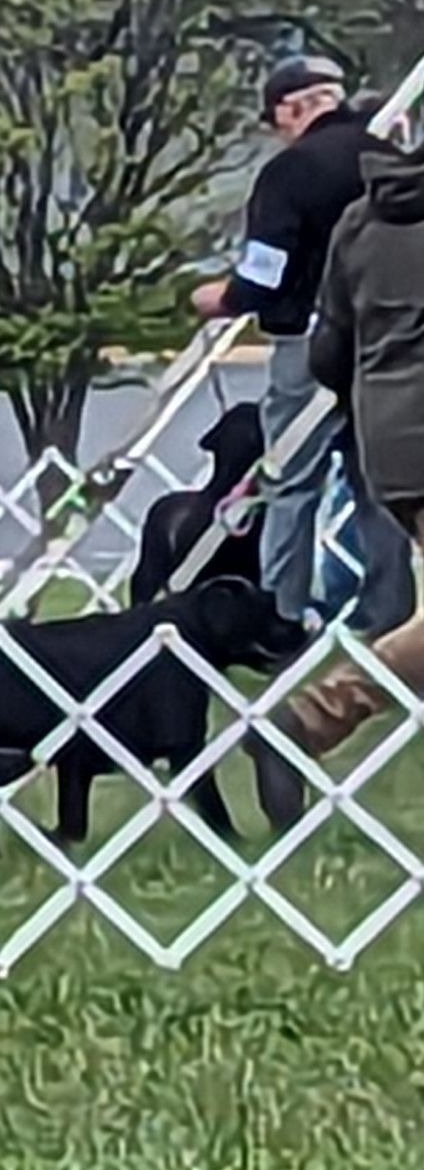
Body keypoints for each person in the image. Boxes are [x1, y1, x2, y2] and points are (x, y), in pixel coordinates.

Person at [192, 57, 415, 639]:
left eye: (276, 119)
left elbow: (264, 275)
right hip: (388, 346)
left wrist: (220, 298)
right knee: (376, 485)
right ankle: (388, 618)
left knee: (291, 481)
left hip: (308, 342)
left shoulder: (290, 172)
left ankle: (280, 618)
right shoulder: (390, 163)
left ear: (292, 109)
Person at [247, 141, 424, 827]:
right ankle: (305, 722)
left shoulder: (361, 219)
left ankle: (305, 724)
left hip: (389, 435)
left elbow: (328, 349)